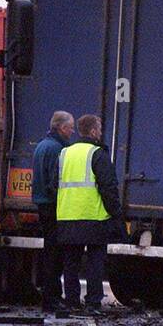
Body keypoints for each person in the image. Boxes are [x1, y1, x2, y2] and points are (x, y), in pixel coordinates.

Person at [51, 114, 122, 313]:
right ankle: (92, 302)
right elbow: (108, 187)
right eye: (99, 129)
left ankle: (71, 301)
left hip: (67, 216)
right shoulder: (97, 154)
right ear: (92, 131)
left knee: (71, 263)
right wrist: (115, 213)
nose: (100, 132)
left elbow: (54, 184)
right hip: (93, 217)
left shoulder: (65, 153)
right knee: (95, 262)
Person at [31, 110, 74, 310]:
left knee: (49, 251)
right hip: (54, 205)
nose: (72, 132)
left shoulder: (41, 146)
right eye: (70, 128)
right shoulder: (58, 149)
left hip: (42, 204)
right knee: (55, 255)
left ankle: (48, 296)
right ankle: (52, 298)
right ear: (62, 127)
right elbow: (54, 182)